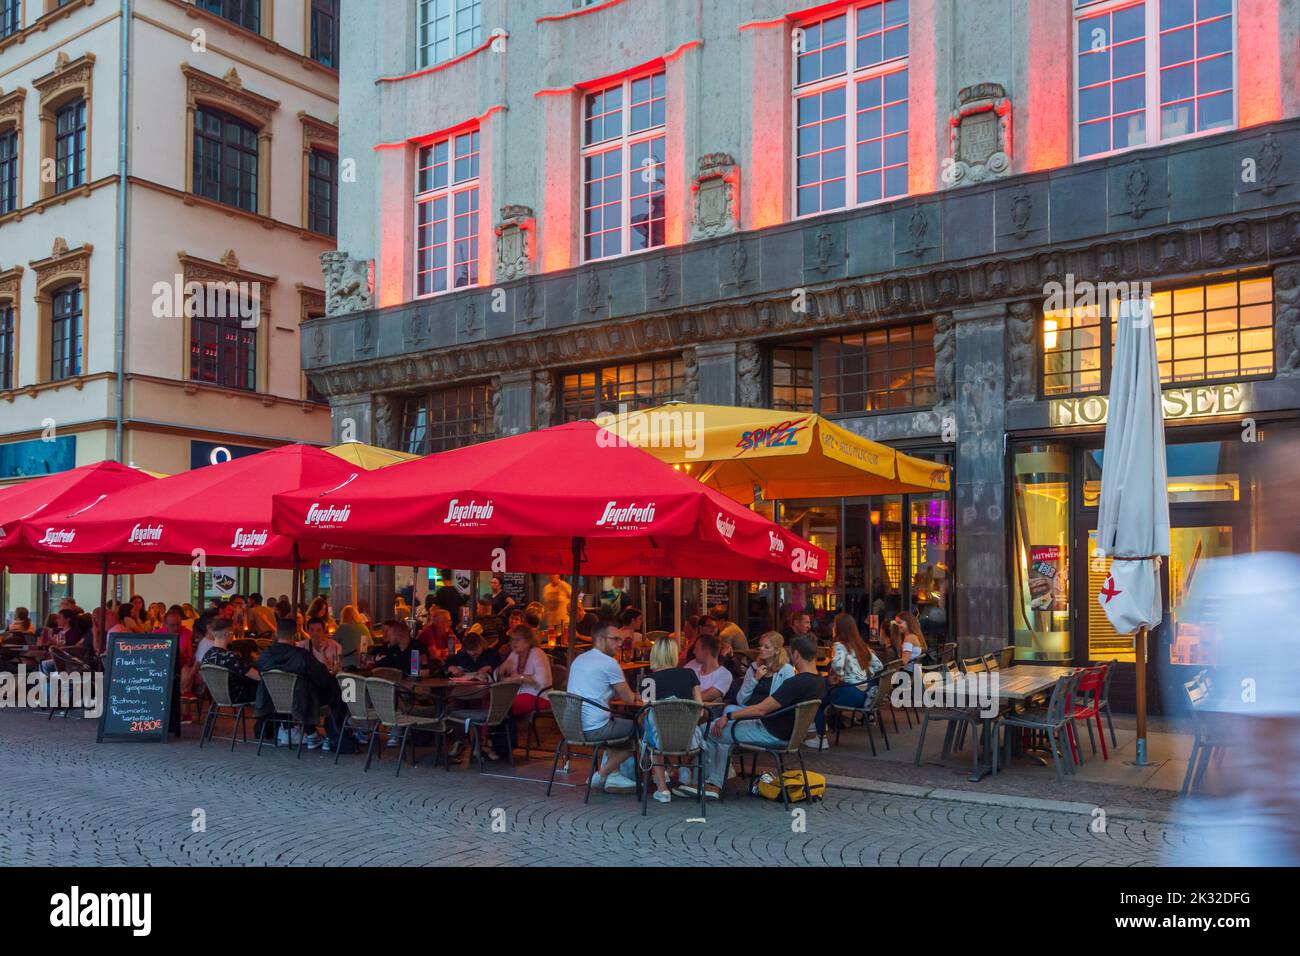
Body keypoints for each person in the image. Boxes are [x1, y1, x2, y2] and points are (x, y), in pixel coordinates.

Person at [689, 635, 828, 801]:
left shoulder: (795, 683)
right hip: (790, 736)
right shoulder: (820, 682)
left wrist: (729, 716)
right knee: (721, 731)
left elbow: (761, 710)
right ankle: (711, 782)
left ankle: (709, 783)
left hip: (770, 732)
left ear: (796, 654)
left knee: (706, 730)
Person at [567, 621, 639, 793]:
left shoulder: (579, 659)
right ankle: (602, 774)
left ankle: (614, 775)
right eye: (615, 639)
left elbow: (595, 690)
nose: (620, 644)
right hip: (595, 728)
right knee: (643, 729)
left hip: (572, 727)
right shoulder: (609, 663)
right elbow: (629, 699)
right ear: (600, 639)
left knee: (620, 724)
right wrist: (636, 695)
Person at [254, 617, 347, 751]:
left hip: (273, 700)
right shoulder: (302, 656)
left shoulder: (265, 656)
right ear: (295, 635)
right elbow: (323, 678)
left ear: (276, 633)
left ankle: (311, 733)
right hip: (301, 700)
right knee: (340, 692)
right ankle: (333, 737)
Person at [640, 635, 703, 803]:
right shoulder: (689, 674)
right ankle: (688, 776)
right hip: (690, 741)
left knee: (650, 732)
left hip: (661, 741)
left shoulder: (648, 681)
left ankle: (662, 789)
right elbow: (700, 710)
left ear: (654, 654)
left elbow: (647, 713)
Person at [808, 613, 884, 749]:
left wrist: (840, 675)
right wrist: (865, 674)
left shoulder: (839, 645)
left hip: (849, 694)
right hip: (863, 694)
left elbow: (837, 665)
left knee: (817, 699)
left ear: (838, 629)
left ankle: (820, 737)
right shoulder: (861, 646)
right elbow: (879, 666)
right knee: (824, 693)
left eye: (834, 625)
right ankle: (819, 724)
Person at [496, 624, 553, 718]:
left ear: (527, 641)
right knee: (493, 701)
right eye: (512, 640)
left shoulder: (538, 654)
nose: (513, 643)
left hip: (539, 696)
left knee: (508, 704)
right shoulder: (514, 654)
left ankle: (508, 727)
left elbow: (542, 682)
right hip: (519, 695)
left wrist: (520, 678)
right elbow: (500, 677)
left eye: (517, 640)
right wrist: (501, 670)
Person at [200, 618, 260, 704]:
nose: (233, 636)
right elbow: (258, 677)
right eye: (232, 633)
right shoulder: (231, 657)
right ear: (226, 634)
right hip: (237, 695)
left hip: (218, 696)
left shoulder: (206, 656)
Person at [733, 632, 795, 710]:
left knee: (729, 710)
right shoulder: (754, 667)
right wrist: (755, 679)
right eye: (761, 645)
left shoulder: (786, 670)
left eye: (766, 647)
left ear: (777, 651)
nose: (761, 649)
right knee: (729, 709)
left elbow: (787, 698)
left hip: (768, 712)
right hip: (747, 708)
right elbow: (740, 699)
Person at [685, 634, 733, 703]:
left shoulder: (725, 675)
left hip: (700, 708)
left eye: (696, 648)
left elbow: (701, 697)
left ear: (706, 652)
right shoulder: (692, 664)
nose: (694, 652)